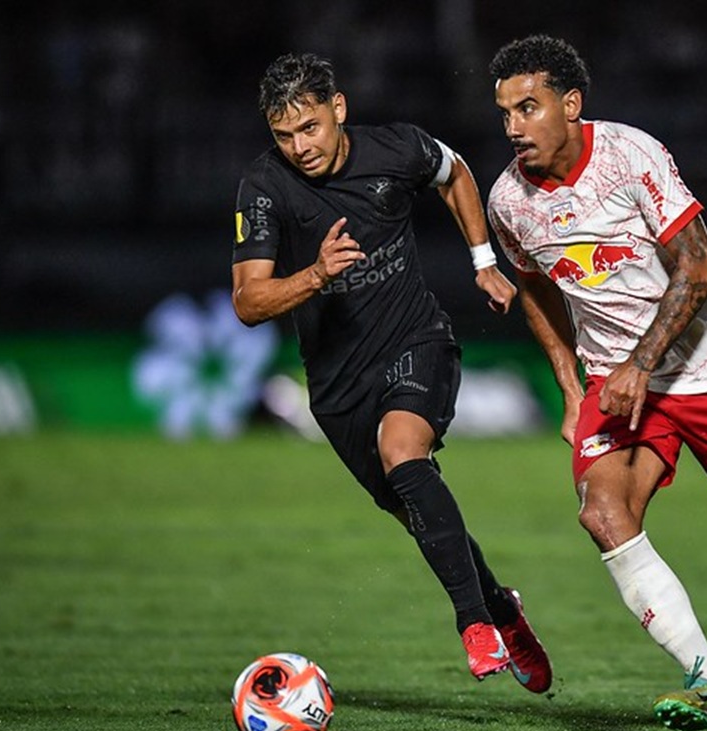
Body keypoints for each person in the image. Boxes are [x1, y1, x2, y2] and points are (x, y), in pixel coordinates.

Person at [486, 34, 707, 731]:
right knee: (603, 515)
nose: (514, 127)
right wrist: (570, 384)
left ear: (571, 104)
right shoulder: (509, 202)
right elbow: (536, 289)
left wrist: (641, 366)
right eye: (505, 113)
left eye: (529, 108)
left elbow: (700, 268)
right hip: (615, 384)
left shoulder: (630, 156)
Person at [230, 52, 551, 694]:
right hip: (337, 385)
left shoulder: (396, 148)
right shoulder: (264, 188)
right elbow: (247, 302)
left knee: (404, 453)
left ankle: (472, 624)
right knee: (420, 513)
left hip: (417, 340)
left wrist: (484, 259)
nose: (301, 147)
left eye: (311, 127)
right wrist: (318, 274)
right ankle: (502, 610)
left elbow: (455, 170)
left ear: (338, 108)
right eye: (285, 136)